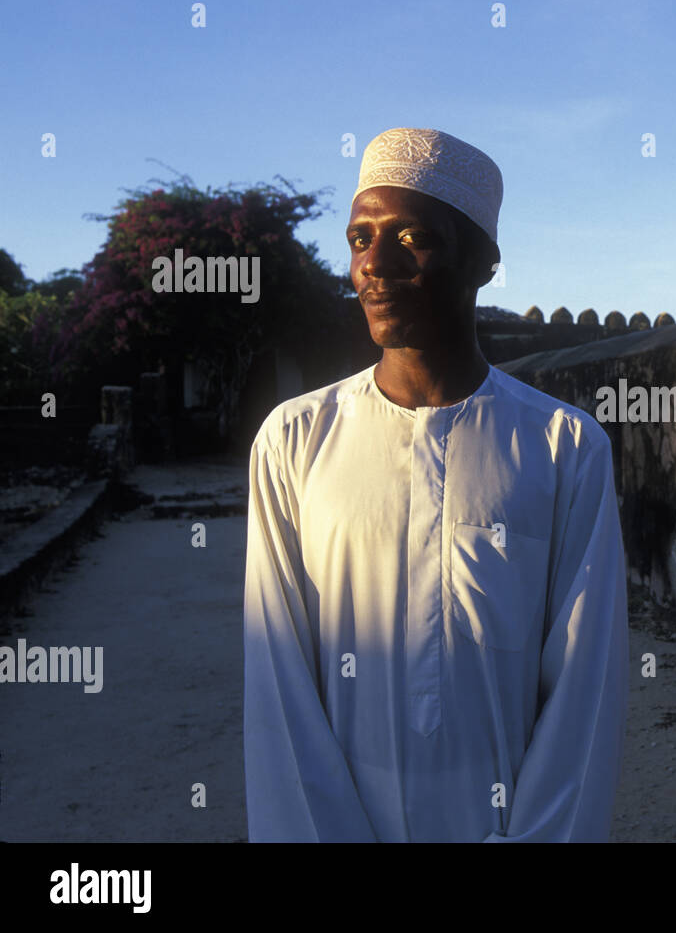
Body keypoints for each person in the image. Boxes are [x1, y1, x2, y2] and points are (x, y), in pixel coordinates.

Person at [242, 127, 628, 842]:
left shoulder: (564, 447)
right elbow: (280, 688)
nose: (375, 266)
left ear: (483, 263)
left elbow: (586, 695)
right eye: (360, 238)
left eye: (413, 237)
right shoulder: (293, 442)